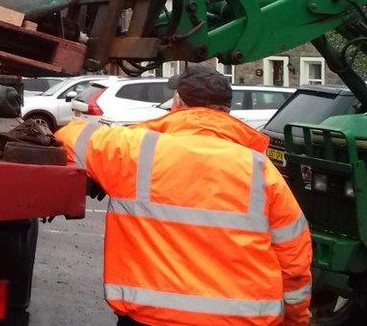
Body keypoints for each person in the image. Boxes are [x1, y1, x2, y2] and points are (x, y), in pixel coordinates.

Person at [54, 64, 312, 325]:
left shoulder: (136, 151)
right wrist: (295, 319)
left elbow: (69, 135)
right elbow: (294, 260)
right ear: (227, 110)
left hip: (150, 318)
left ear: (178, 102)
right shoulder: (260, 169)